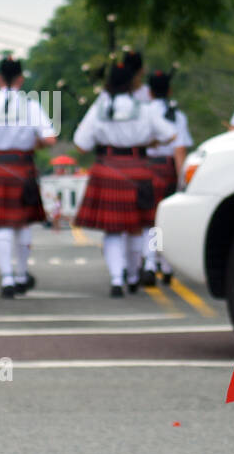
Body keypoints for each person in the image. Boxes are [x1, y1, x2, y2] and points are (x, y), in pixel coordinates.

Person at [73, 58, 176, 297]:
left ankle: (117, 279)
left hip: (107, 169)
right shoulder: (145, 109)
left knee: (113, 230)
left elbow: (80, 145)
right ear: (132, 84)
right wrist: (148, 141)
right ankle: (134, 274)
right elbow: (171, 136)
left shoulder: (98, 109)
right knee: (139, 226)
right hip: (138, 169)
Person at [0, 56, 57, 299]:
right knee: (22, 224)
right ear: (20, 78)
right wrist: (33, 142)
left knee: (2, 226)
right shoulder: (31, 106)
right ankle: (21, 274)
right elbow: (51, 139)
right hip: (23, 170)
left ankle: (7, 278)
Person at [141, 69, 193, 286]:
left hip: (146, 168)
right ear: (169, 90)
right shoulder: (178, 115)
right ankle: (166, 265)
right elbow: (179, 150)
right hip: (169, 169)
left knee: (150, 220)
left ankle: (150, 264)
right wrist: (182, 179)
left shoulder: (142, 111)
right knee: (163, 219)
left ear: (149, 92)